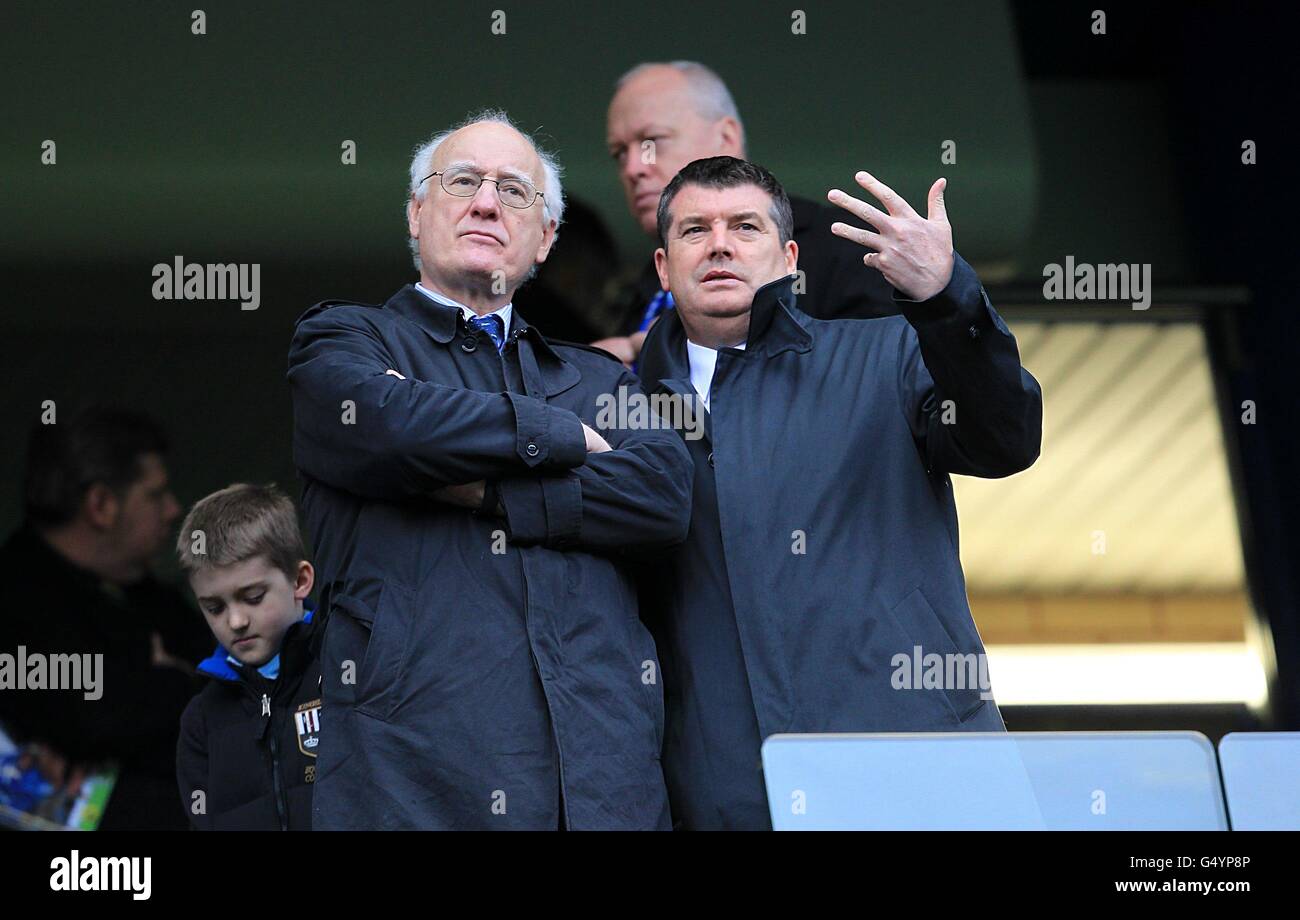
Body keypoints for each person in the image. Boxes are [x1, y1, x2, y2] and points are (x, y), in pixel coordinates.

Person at [287, 109, 693, 830]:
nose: (485, 202)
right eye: (463, 181)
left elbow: (662, 496)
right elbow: (383, 425)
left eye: (514, 191)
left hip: (606, 791)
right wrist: (558, 431)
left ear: (546, 237)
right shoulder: (343, 340)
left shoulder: (596, 377)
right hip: (414, 788)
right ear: (416, 213)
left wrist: (492, 494)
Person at [637, 156, 1043, 830]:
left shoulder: (886, 355)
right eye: (693, 231)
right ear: (661, 267)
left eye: (744, 226)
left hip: (924, 773)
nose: (719, 244)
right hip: (727, 795)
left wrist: (948, 298)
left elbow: (1005, 438)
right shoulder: (625, 414)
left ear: (789, 256)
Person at [598, 60, 898, 365]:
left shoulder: (845, 247)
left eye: (651, 142)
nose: (633, 168)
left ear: (726, 137)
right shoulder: (651, 283)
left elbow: (880, 382)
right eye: (620, 153)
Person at [0, 406, 210, 830]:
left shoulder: (144, 593)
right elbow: (84, 718)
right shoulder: (15, 598)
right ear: (100, 505)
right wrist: (171, 684)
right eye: (154, 495)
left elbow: (233, 693)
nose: (172, 510)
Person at [174, 483, 321, 831]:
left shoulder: (347, 672)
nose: (236, 622)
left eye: (253, 597)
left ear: (300, 581)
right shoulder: (202, 721)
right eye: (214, 607)